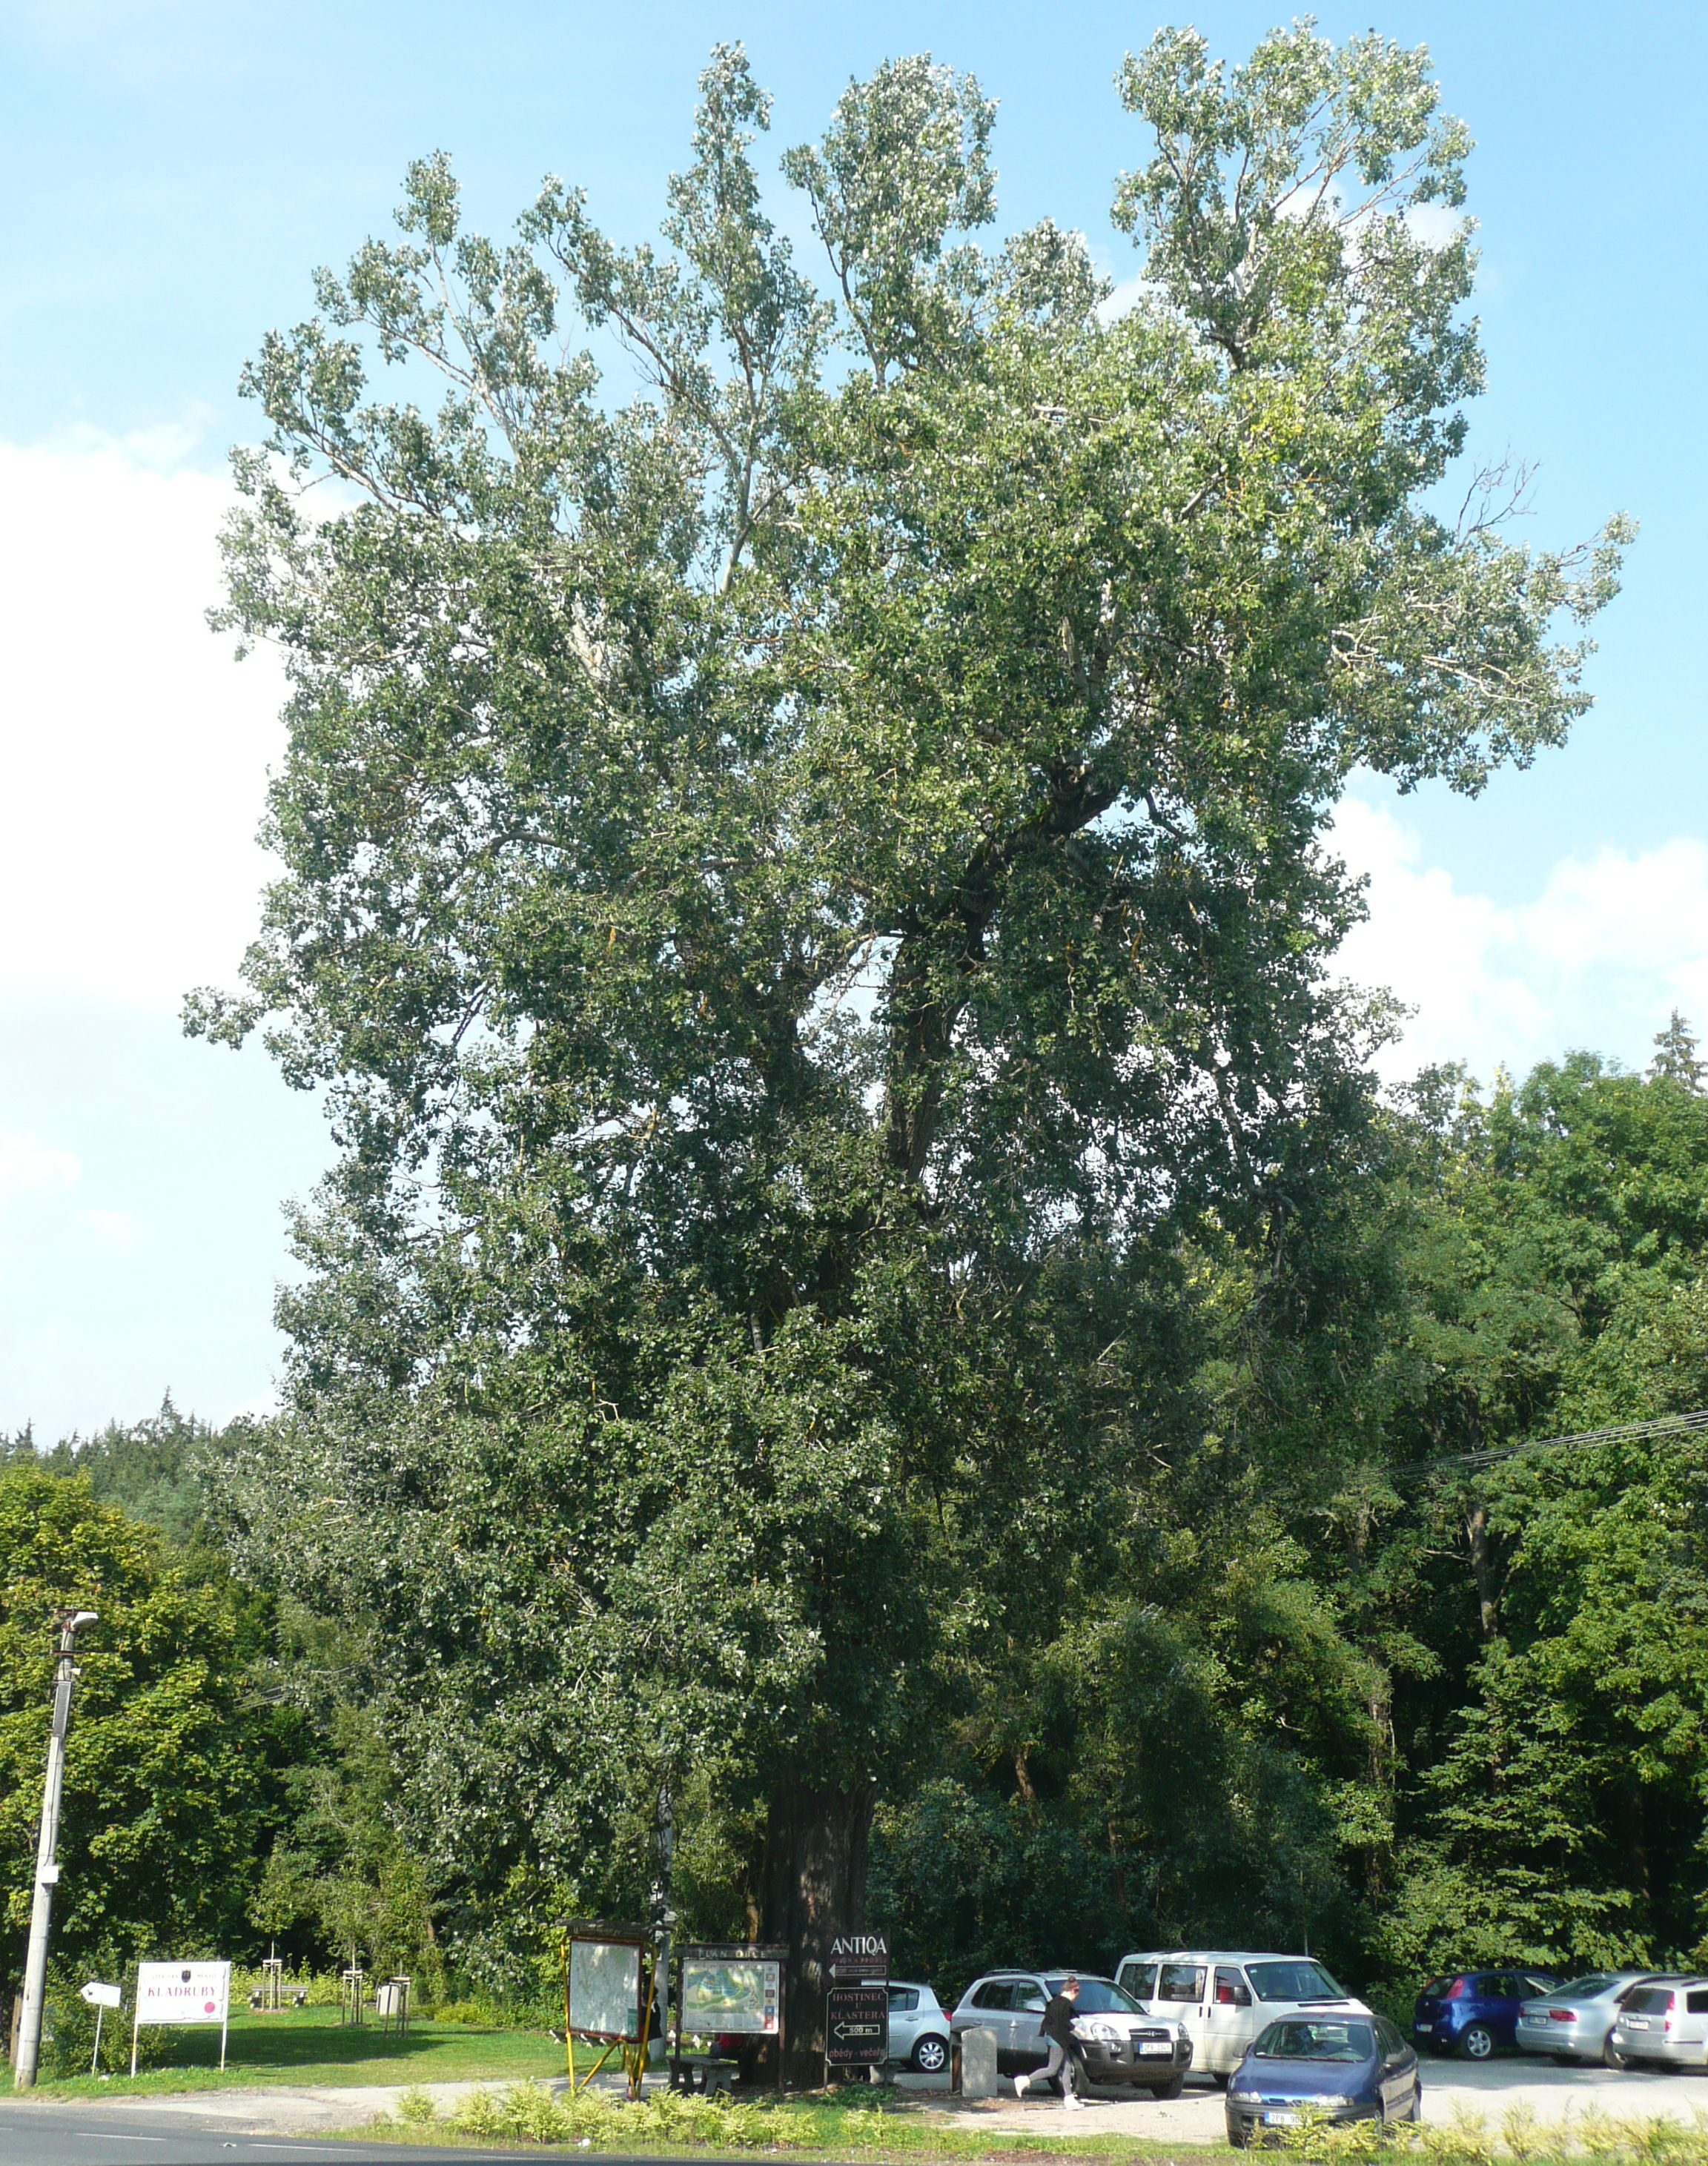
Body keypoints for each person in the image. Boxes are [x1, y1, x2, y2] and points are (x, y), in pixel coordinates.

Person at [1014, 1975, 1085, 2110]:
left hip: (1051, 2036)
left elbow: (1051, 2021)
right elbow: (1063, 2023)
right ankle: (1025, 2080)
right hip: (1057, 2039)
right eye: (1077, 1994)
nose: (1076, 1998)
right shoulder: (1064, 2004)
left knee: (1067, 2068)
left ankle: (1069, 2099)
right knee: (1053, 2069)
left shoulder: (1055, 2001)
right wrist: (1078, 2031)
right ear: (1072, 1991)